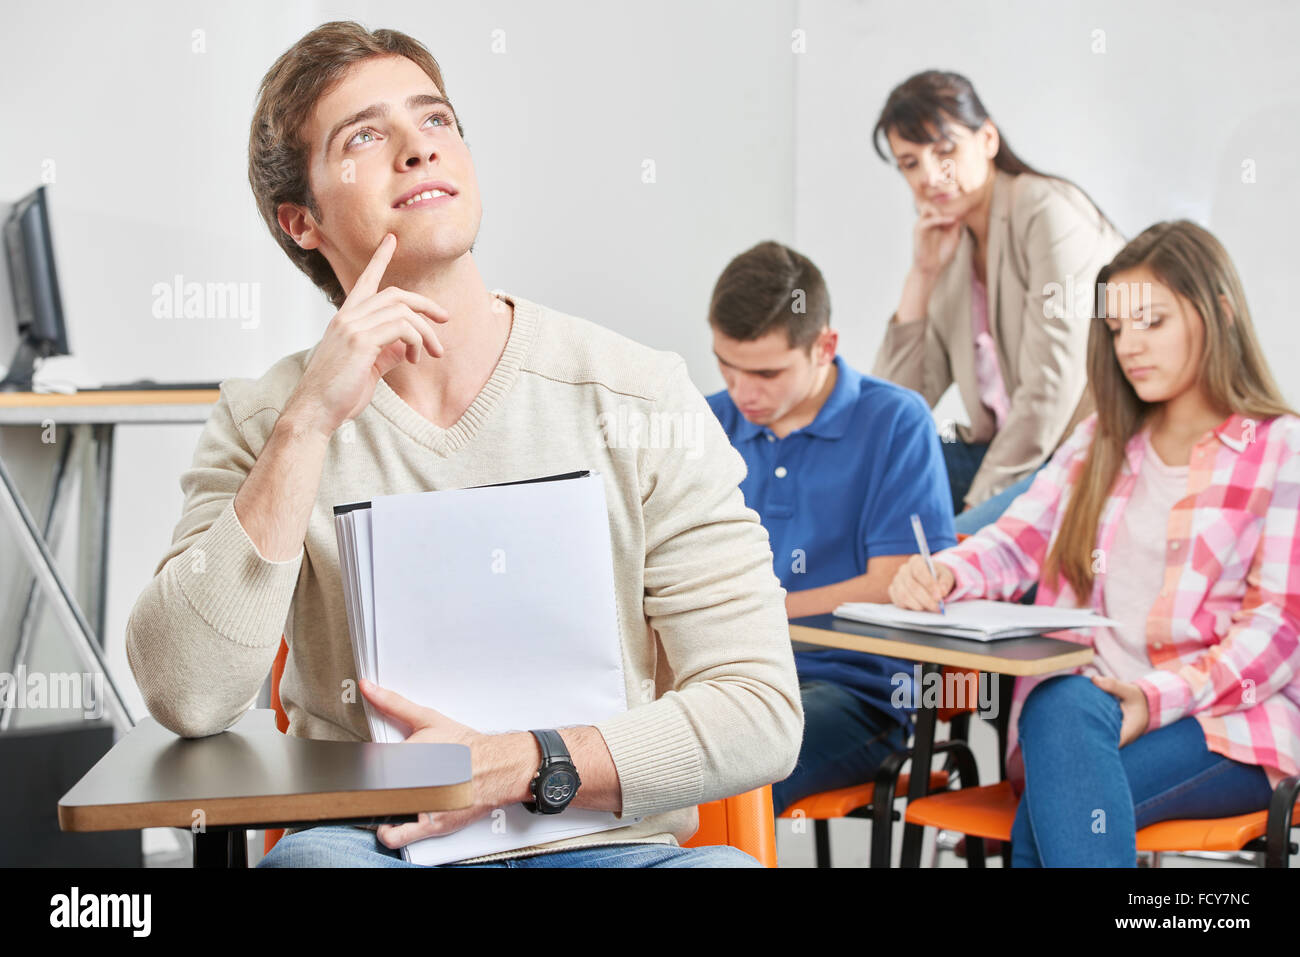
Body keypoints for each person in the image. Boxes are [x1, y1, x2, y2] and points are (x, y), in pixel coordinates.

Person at [124, 21, 803, 868]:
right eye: (365, 136)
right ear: (301, 219)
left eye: (436, 119)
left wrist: (520, 763)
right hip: (369, 847)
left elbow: (760, 709)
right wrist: (306, 427)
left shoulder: (638, 394)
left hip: (608, 842)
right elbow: (185, 692)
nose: (418, 149)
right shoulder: (264, 419)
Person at [888, 220, 1300, 866]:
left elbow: (1277, 631)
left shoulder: (1281, 449)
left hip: (1220, 726)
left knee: (1048, 817)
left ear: (1219, 313)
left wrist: (1152, 696)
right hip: (1083, 718)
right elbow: (1016, 541)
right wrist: (943, 573)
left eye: (1152, 322)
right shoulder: (1100, 441)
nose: (1130, 345)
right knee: (1061, 701)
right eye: (1116, 330)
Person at [704, 240, 956, 816]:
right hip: (722, 682)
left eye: (767, 372)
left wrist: (758, 610)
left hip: (858, 693)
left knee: (725, 770)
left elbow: (896, 582)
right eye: (727, 365)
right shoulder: (705, 421)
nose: (743, 392)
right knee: (610, 761)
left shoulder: (896, 421)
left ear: (825, 347)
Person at [870, 70, 1125, 536]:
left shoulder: (1046, 212)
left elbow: (1049, 391)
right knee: (874, 473)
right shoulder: (950, 240)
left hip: (1075, 455)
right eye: (910, 163)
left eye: (945, 151)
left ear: (987, 139)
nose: (929, 176)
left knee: (948, 548)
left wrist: (974, 513)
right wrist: (922, 276)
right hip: (1000, 453)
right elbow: (893, 414)